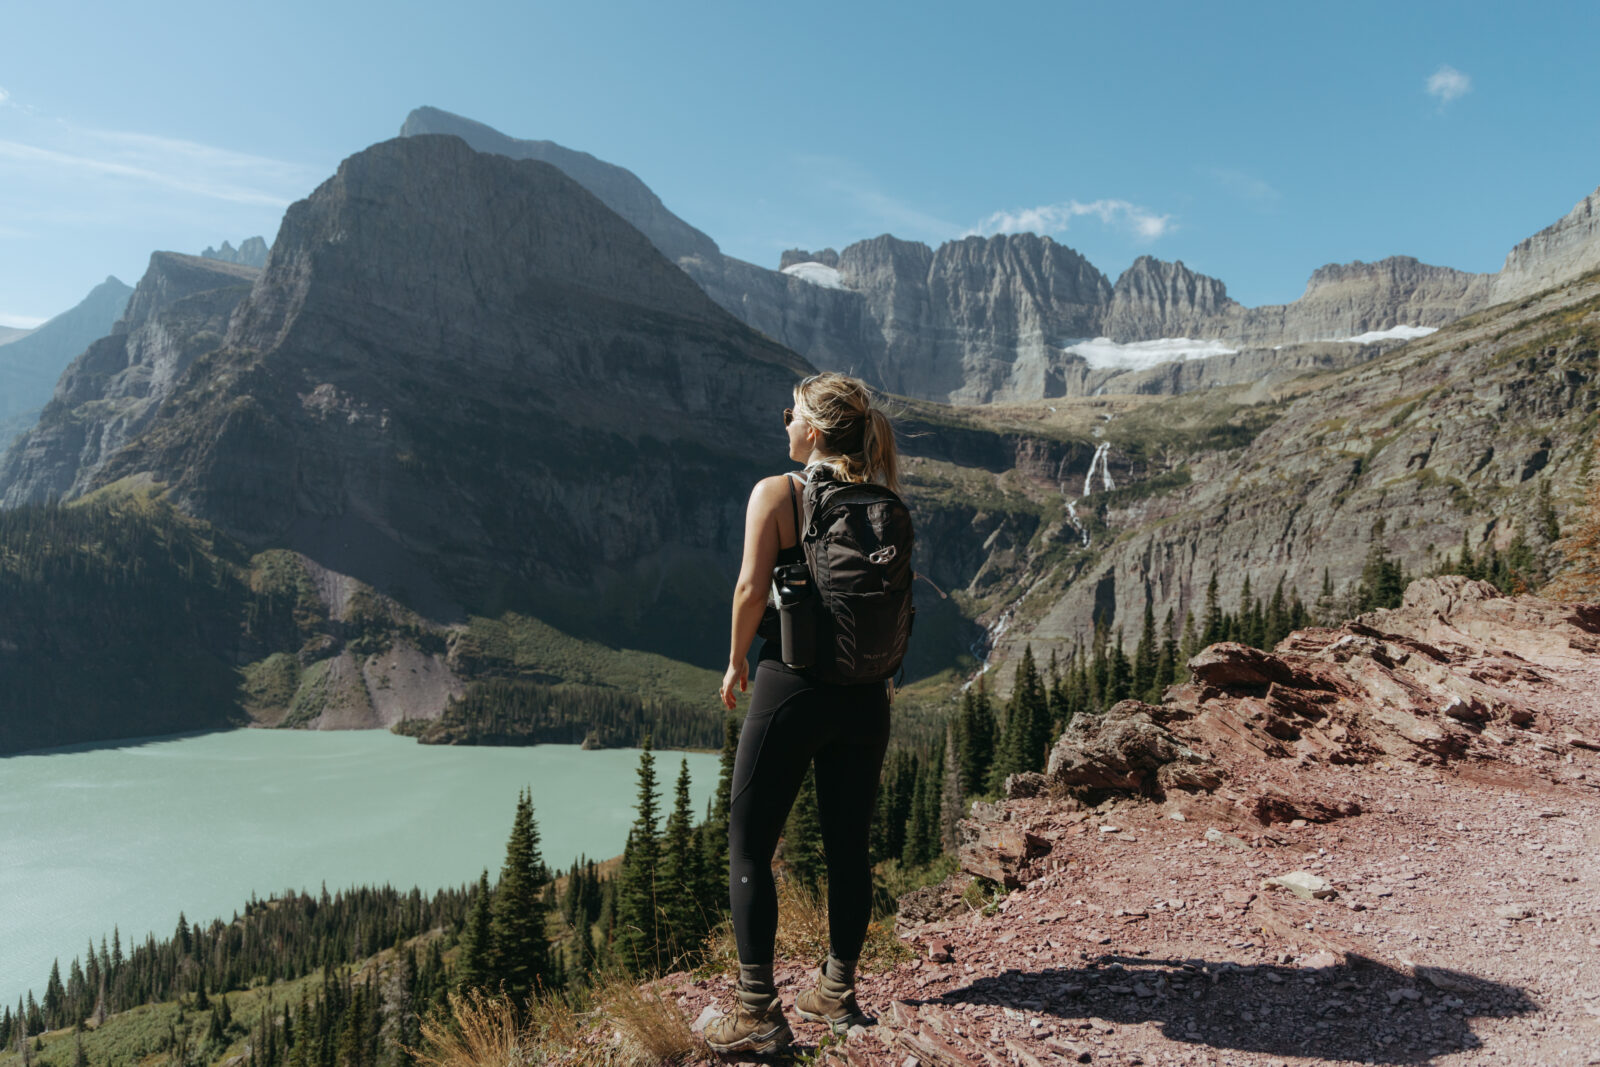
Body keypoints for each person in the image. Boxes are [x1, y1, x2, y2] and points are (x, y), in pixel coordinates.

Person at [704, 372, 902, 1055]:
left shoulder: (778, 493)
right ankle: (837, 993)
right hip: (867, 693)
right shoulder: (882, 499)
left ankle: (757, 1011)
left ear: (811, 430)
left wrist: (735, 661)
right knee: (849, 847)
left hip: (793, 686)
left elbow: (749, 588)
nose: (784, 422)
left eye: (790, 413)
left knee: (750, 843)